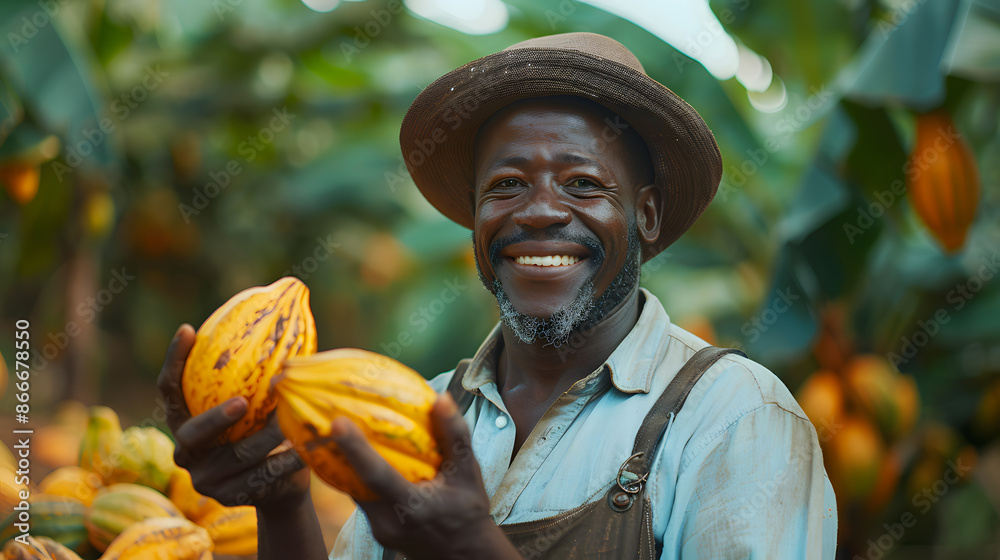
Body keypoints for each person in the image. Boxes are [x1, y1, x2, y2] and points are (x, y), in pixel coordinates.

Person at [157, 33, 837, 559]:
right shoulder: (409, 410)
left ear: (647, 215)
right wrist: (282, 503)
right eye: (507, 185)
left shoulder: (734, 420)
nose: (540, 211)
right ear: (474, 220)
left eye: (583, 184)